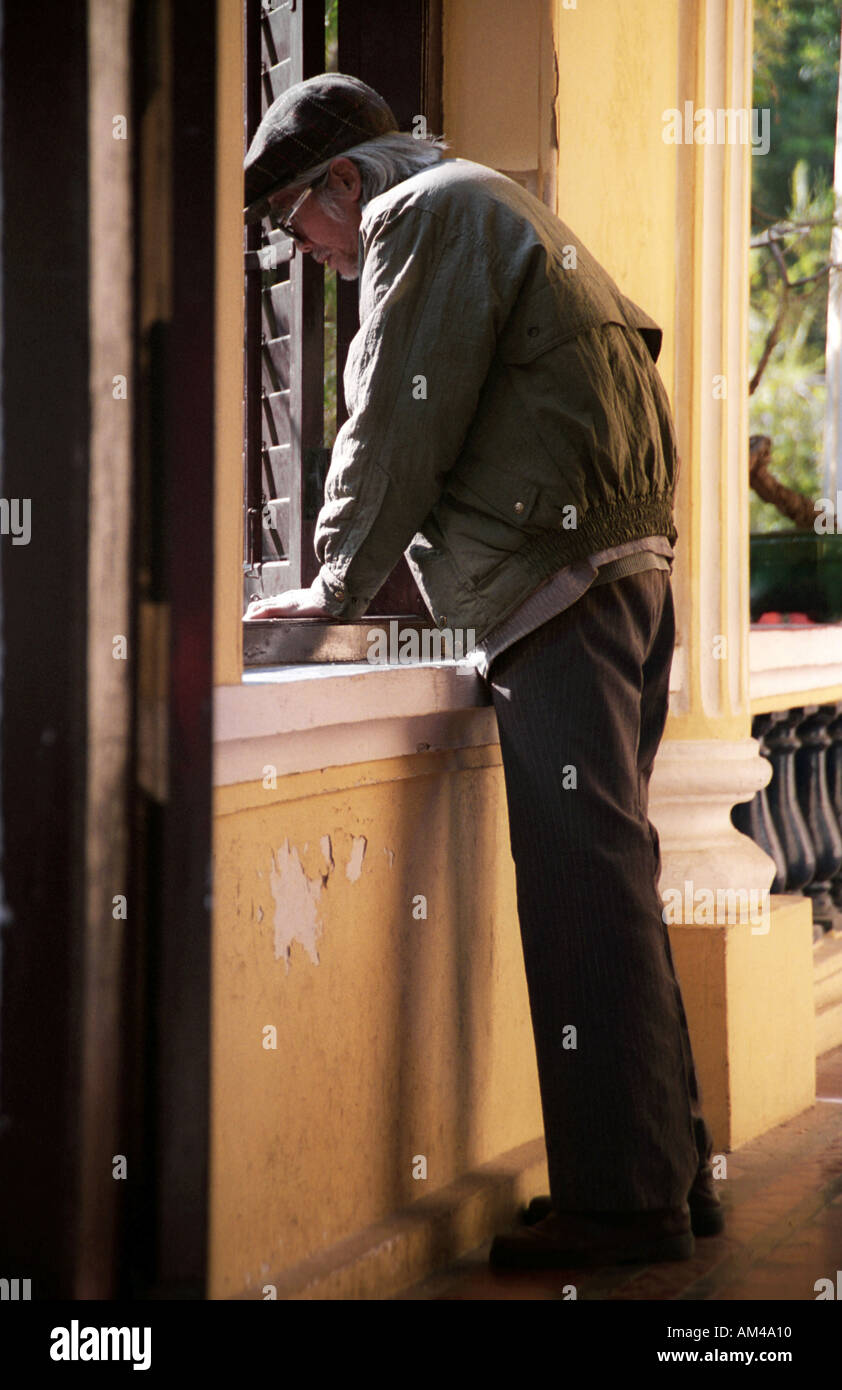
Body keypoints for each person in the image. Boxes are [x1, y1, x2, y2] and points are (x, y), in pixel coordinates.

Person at [242, 73, 722, 1269]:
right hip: (621, 570)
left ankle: (621, 1207)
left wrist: (337, 580)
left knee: (581, 894)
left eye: (295, 221)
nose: (304, 253)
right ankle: (669, 1180)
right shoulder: (499, 205)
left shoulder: (425, 215)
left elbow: (398, 411)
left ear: (343, 183)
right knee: (613, 885)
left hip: (557, 589)